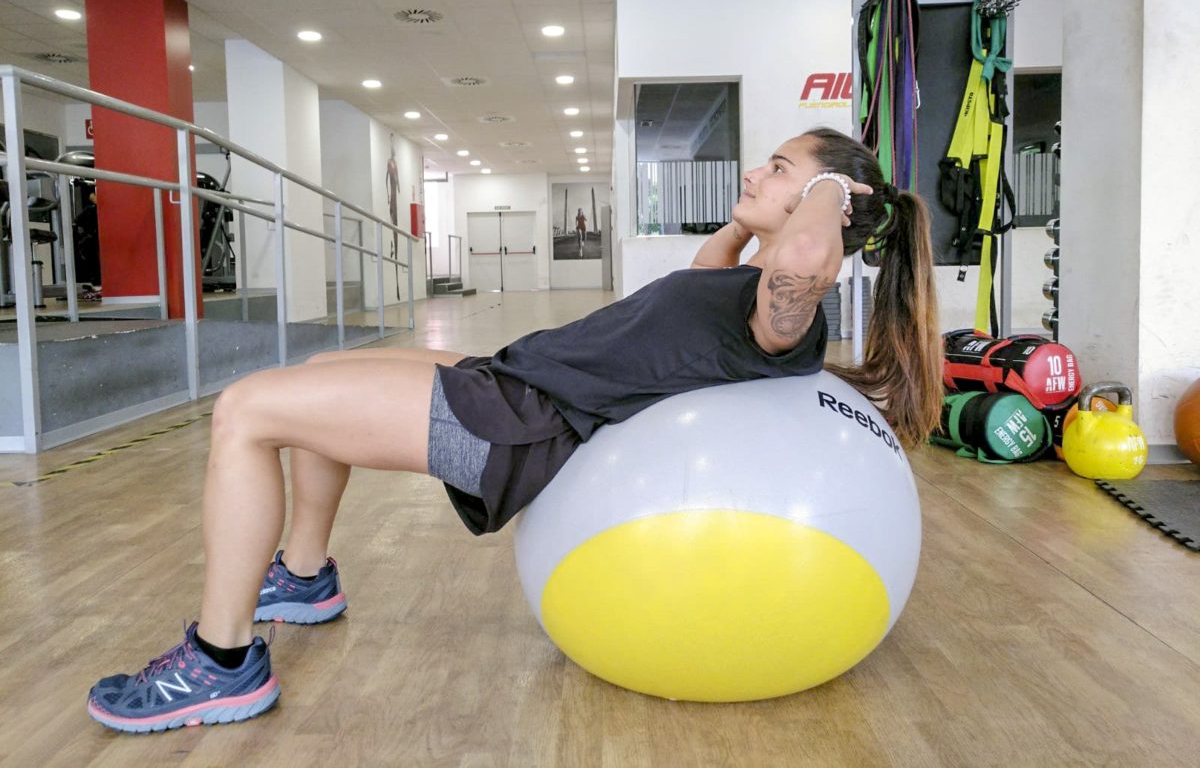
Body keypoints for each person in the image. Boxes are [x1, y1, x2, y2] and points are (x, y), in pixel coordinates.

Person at [86, 126, 941, 733]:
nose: (756, 170)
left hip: (514, 423)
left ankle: (220, 661)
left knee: (245, 410)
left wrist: (829, 196)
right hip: (511, 380)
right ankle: (304, 577)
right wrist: (758, 214)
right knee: (313, 376)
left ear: (827, 208)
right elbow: (710, 273)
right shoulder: (743, 293)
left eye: (780, 166)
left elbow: (802, 261)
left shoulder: (789, 311)